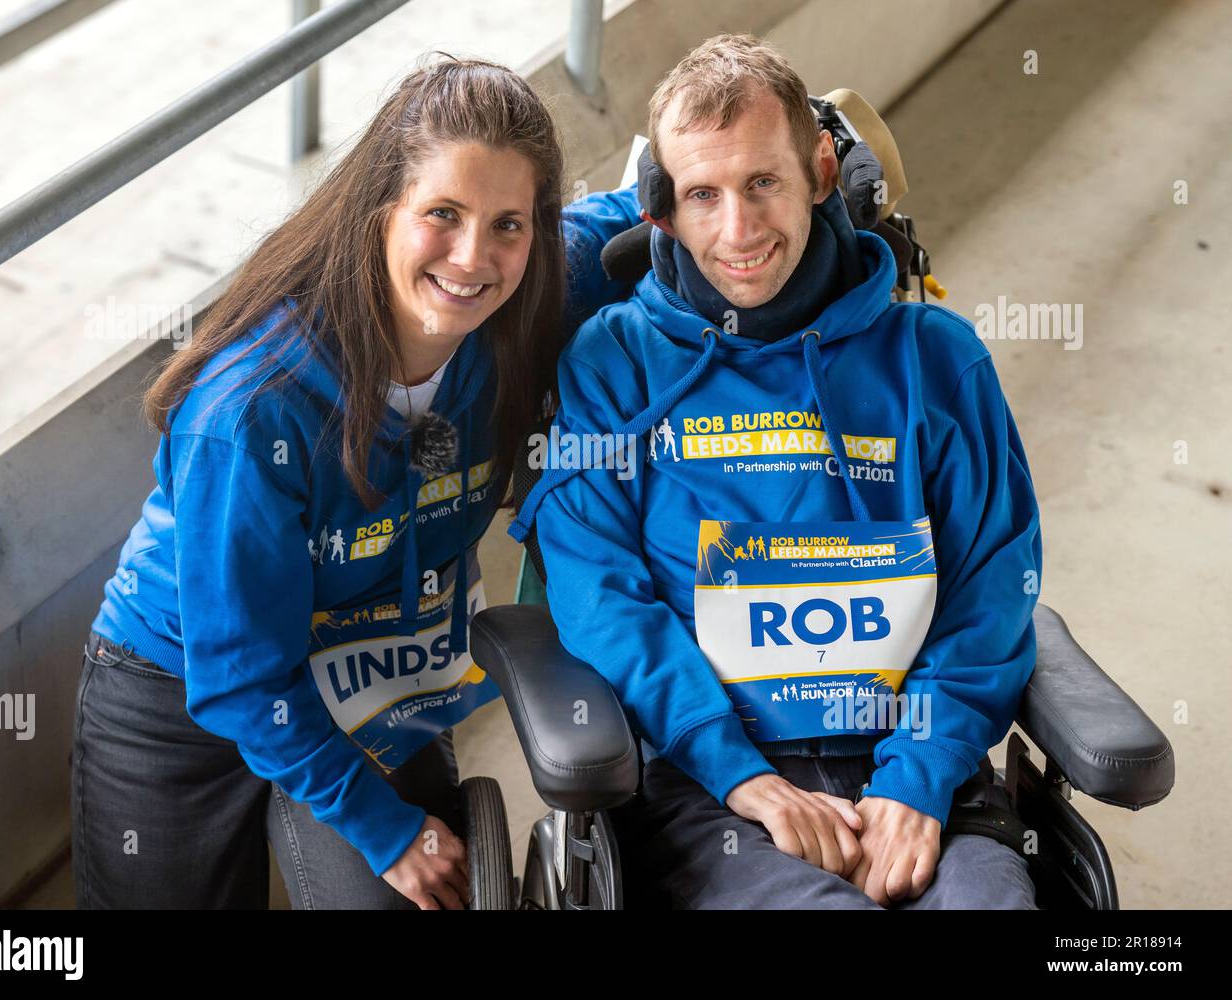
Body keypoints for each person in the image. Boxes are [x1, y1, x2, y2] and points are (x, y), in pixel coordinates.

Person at [72, 56, 642, 910]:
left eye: (508, 225)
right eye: (441, 214)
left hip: (369, 669)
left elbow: (659, 208)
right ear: (382, 215)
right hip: (188, 688)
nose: (472, 257)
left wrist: (802, 162)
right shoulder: (252, 409)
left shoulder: (528, 293)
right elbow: (240, 681)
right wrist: (385, 830)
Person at [511, 34, 1042, 909]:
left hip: (916, 767)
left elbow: (994, 583)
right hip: (709, 785)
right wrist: (740, 775)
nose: (738, 230)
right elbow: (600, 596)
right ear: (661, 209)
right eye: (702, 195)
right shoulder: (613, 366)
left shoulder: (937, 359)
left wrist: (920, 775)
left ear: (823, 170)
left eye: (763, 182)